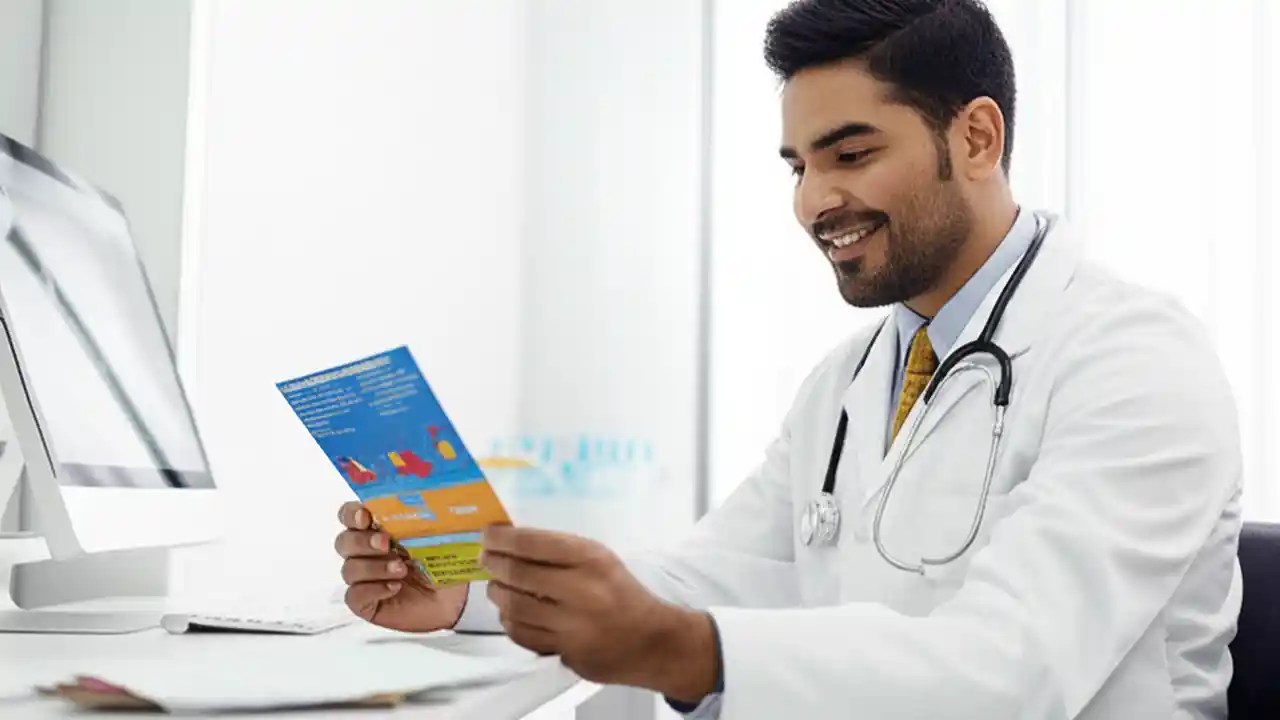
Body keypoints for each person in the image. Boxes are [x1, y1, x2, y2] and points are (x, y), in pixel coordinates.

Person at [334, 1, 1243, 717]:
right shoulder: (851, 380)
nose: (816, 201)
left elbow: (1015, 670)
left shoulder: (1136, 361)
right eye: (797, 166)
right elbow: (702, 576)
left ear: (976, 137)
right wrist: (467, 590)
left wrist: (685, 651)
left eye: (850, 153)